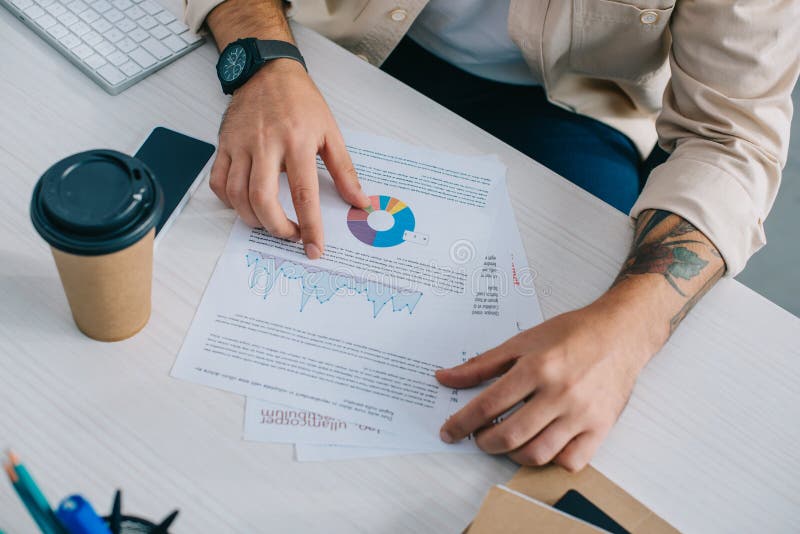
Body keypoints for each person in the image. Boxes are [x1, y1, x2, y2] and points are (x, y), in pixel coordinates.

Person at [183, 0, 798, 471]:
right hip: (335, 36)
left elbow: (732, 140)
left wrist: (629, 332)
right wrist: (261, 64)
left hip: (570, 104)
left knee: (549, 400)